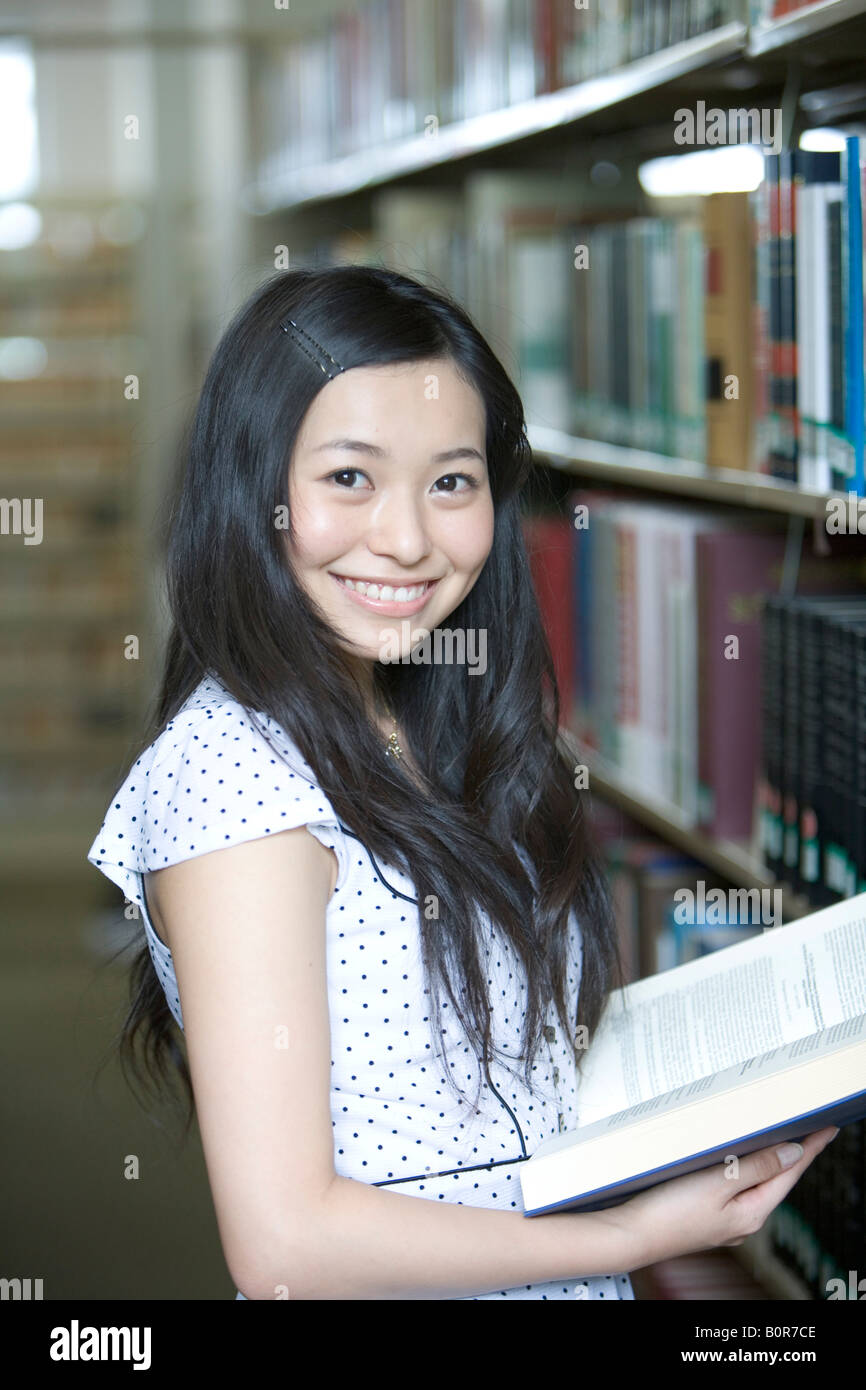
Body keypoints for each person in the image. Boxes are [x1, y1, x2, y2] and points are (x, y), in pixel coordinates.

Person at [87, 264, 837, 1300]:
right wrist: (624, 1236)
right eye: (348, 477)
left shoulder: (432, 709)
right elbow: (285, 1247)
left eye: (450, 482)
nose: (404, 539)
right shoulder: (235, 776)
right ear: (252, 490)